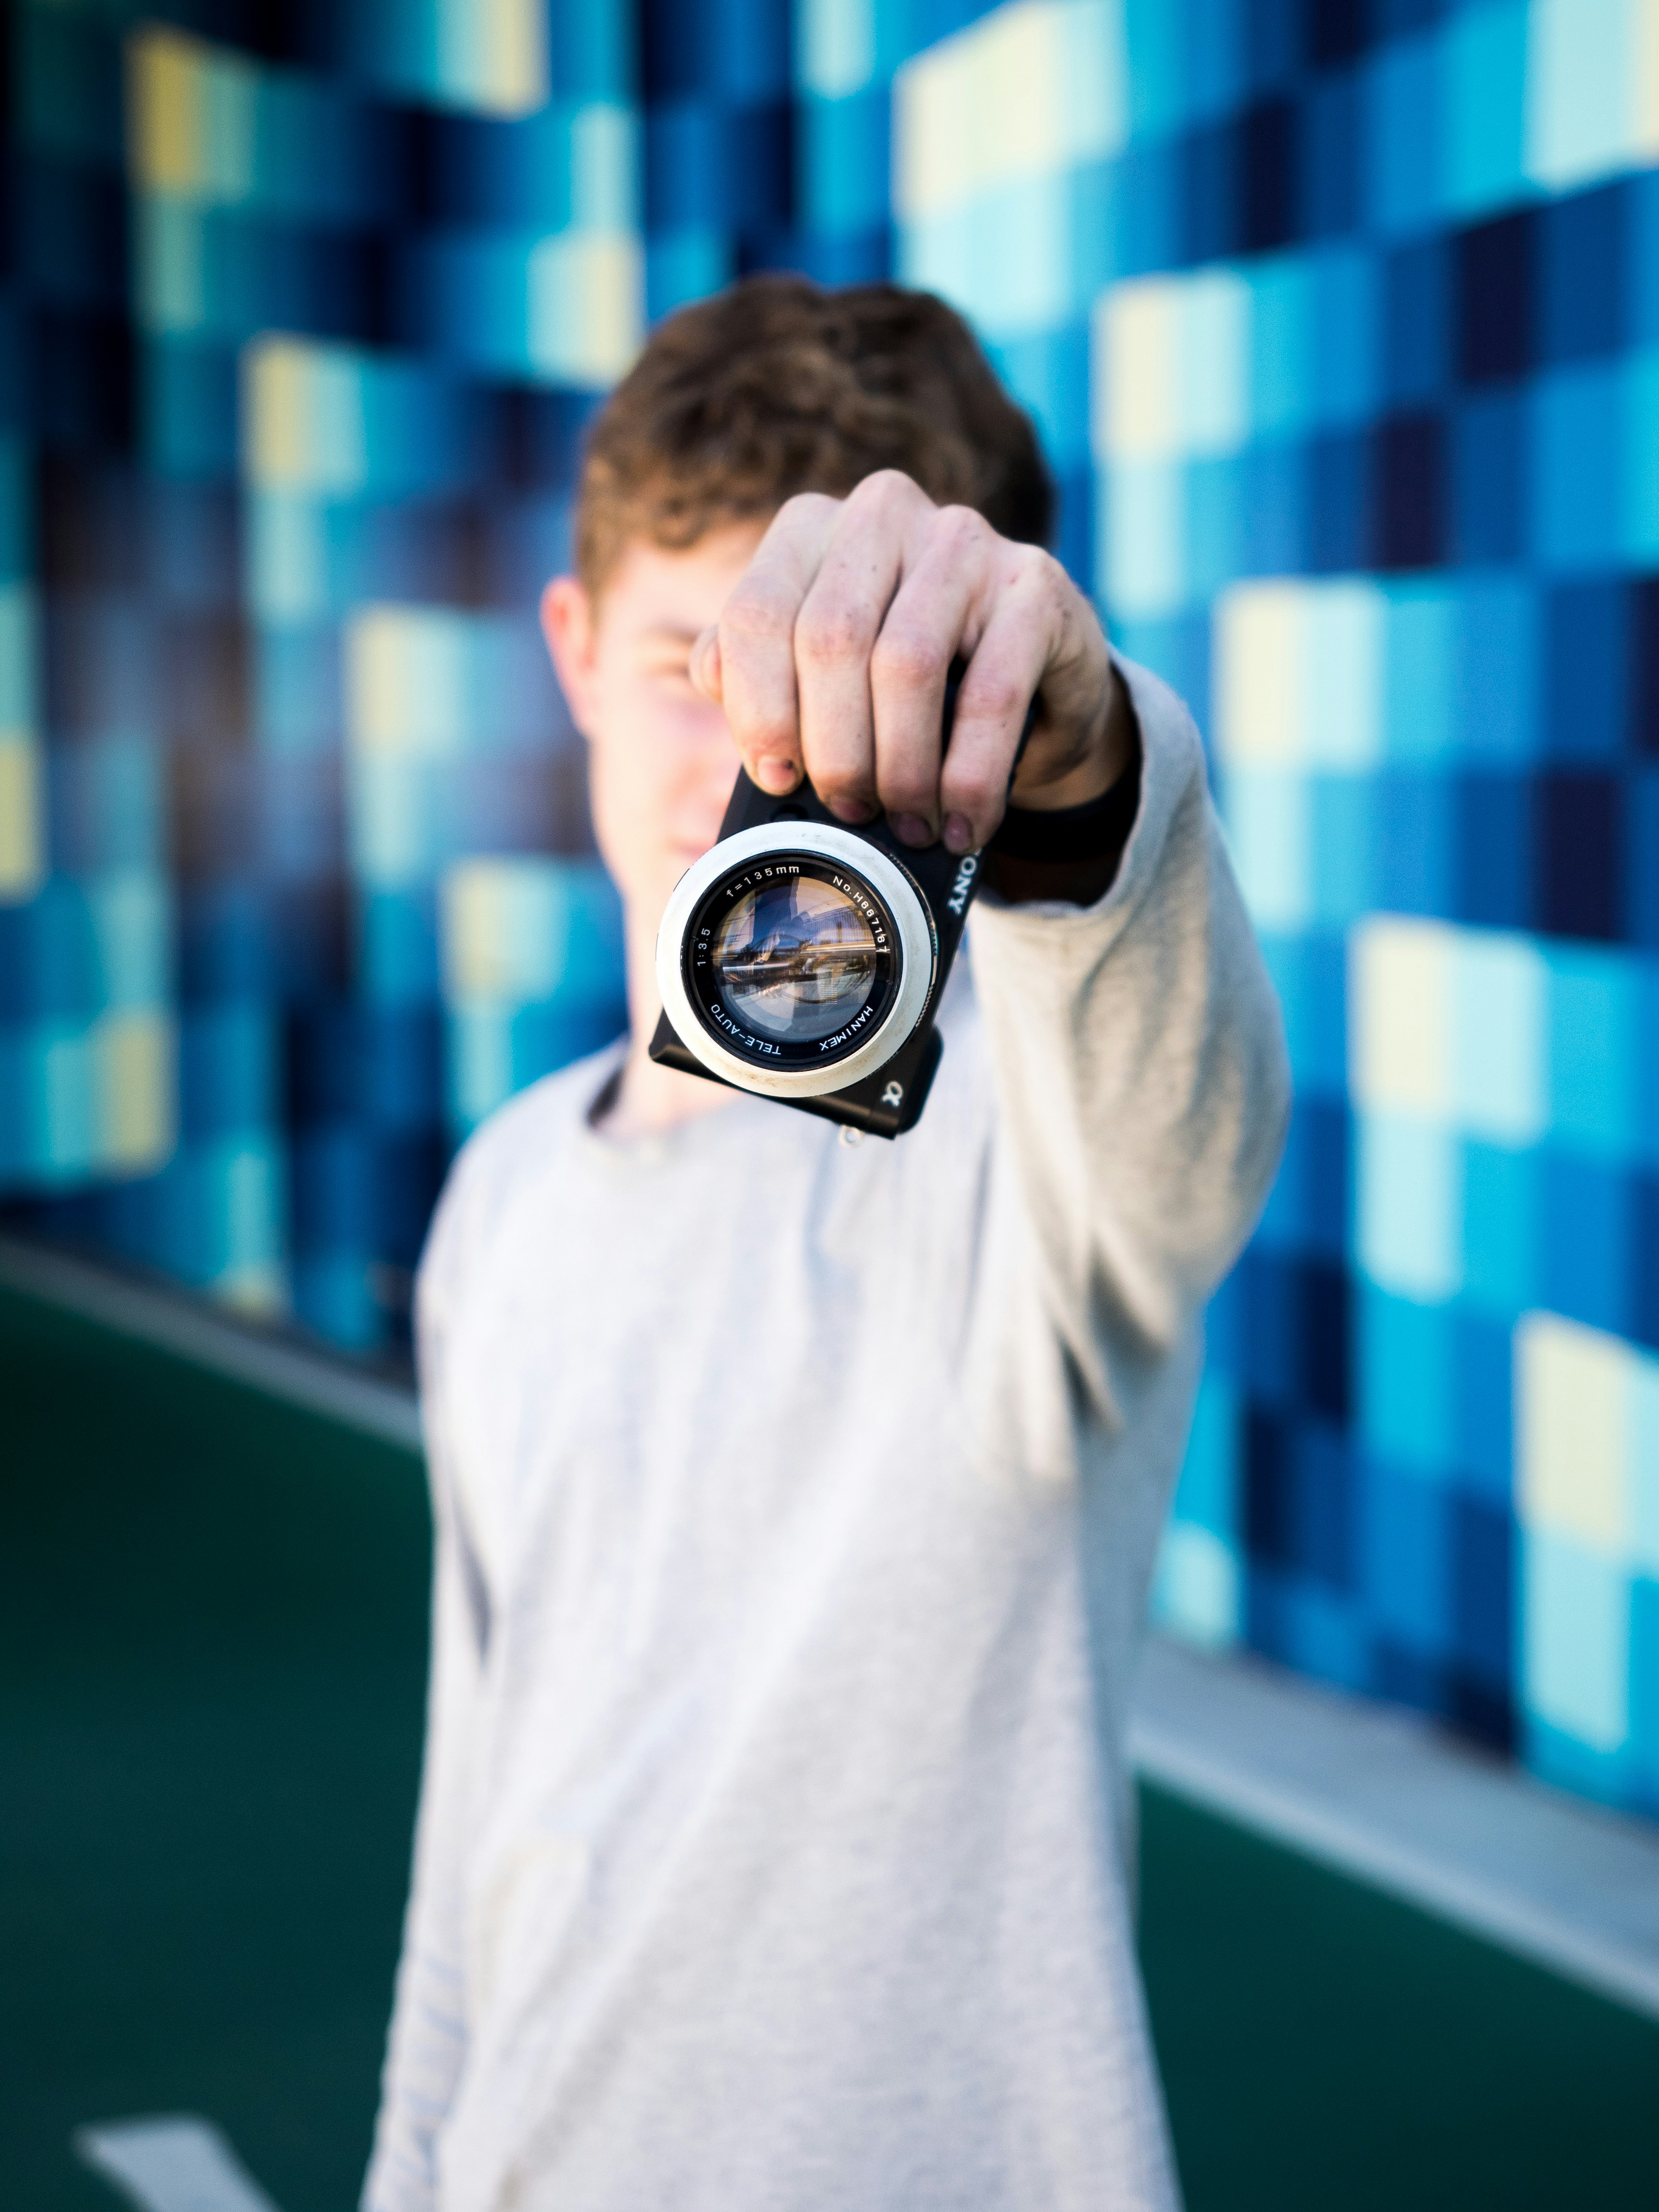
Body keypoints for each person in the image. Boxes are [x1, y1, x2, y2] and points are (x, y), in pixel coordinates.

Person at [363, 275, 1290, 2212]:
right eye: (690, 666)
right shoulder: (506, 1196)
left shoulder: (1026, 1152)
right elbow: (479, 1808)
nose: (736, 765)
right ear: (570, 647)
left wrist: (1075, 770)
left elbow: (1175, 1124)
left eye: (831, 709)